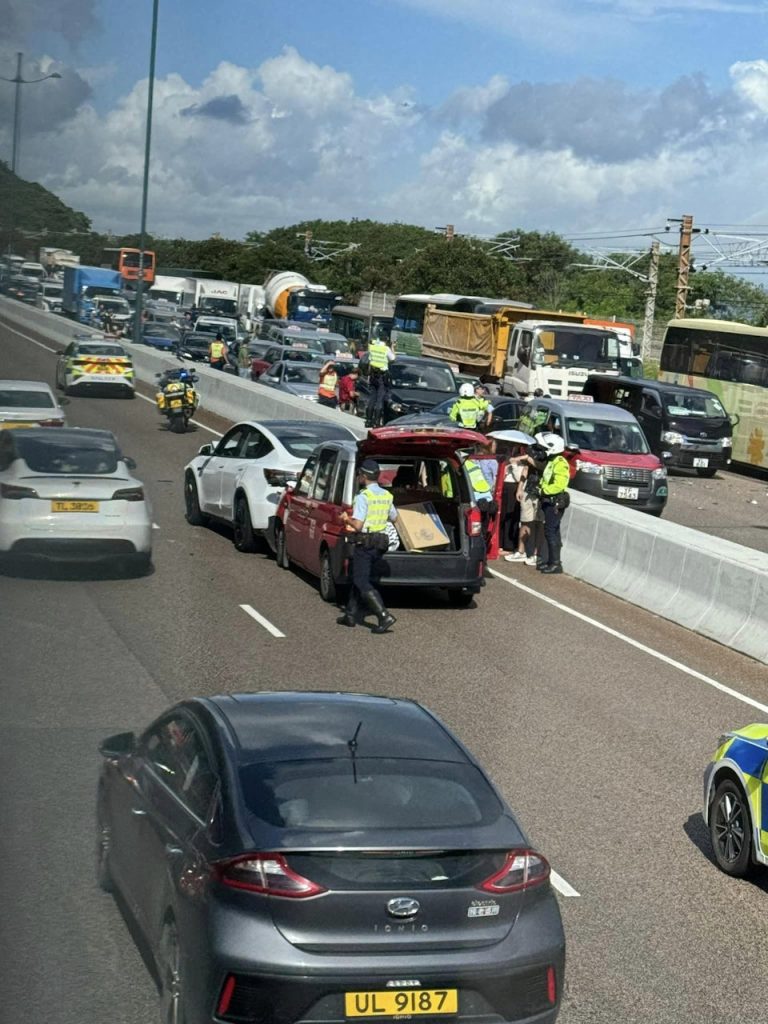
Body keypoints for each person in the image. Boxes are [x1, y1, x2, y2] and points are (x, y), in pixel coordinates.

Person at [338, 460, 398, 633]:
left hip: (365, 542)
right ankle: (350, 615)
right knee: (359, 576)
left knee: (360, 580)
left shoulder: (363, 497)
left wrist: (345, 518)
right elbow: (394, 517)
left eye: (359, 475)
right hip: (380, 543)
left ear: (363, 476)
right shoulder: (386, 495)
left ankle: (384, 615)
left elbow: (357, 525)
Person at [535, 431, 570, 575]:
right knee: (552, 531)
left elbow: (559, 485)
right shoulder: (552, 462)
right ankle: (552, 561)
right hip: (548, 502)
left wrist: (543, 490)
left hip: (554, 502)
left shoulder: (560, 463)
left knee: (551, 532)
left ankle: (556, 564)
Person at [365, 337, 395, 427]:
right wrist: (393, 348)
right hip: (381, 377)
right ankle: (376, 422)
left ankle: (368, 421)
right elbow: (393, 358)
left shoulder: (373, 347)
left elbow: (370, 359)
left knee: (372, 399)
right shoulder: (386, 349)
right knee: (379, 400)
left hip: (373, 376)